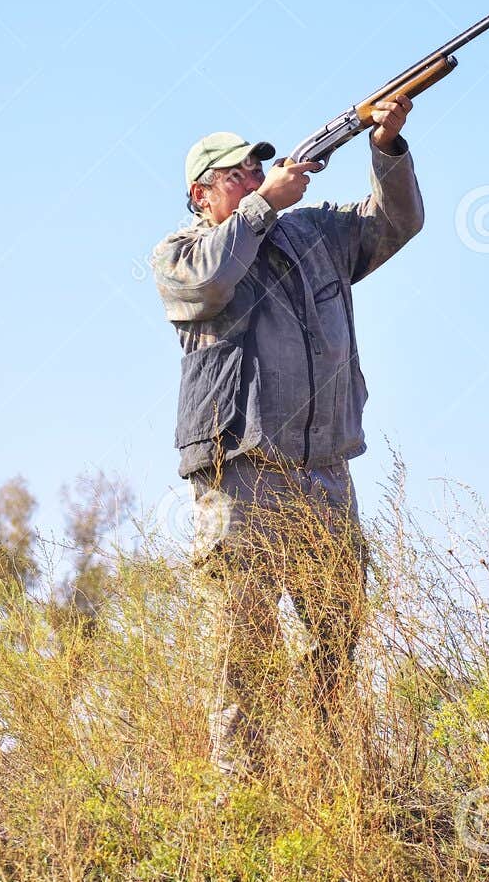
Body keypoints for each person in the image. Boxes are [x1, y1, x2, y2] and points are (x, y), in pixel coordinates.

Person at [150, 96, 424, 777]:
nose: (254, 178)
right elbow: (213, 279)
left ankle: (332, 777)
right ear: (201, 194)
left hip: (325, 470)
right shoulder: (181, 254)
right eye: (237, 175)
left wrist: (386, 146)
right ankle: (240, 795)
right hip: (241, 472)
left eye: (257, 170)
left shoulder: (316, 233)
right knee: (243, 641)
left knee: (338, 630)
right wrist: (261, 207)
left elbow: (398, 221)